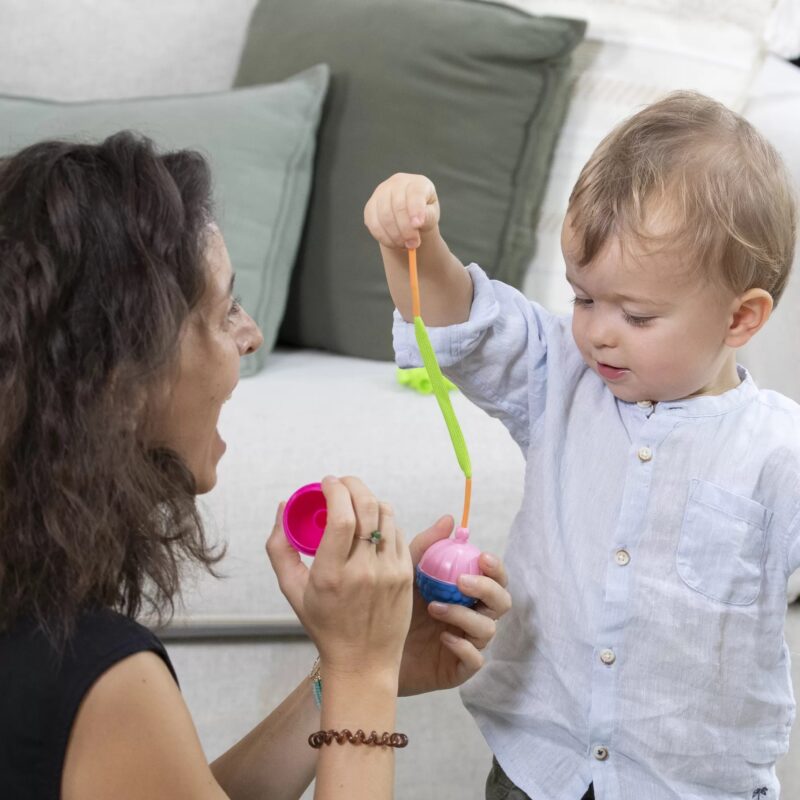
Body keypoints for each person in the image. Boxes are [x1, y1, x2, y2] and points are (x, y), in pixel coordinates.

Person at [0, 132, 513, 800]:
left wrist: (344, 675)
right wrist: (362, 673)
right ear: (124, 379)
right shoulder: (96, 676)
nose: (252, 335)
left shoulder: (40, 628)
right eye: (224, 312)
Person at [364, 91, 800, 799]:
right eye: (583, 298)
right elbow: (458, 321)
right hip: (537, 771)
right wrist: (411, 245)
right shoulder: (558, 376)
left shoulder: (778, 451)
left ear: (741, 318)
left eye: (637, 315)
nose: (597, 332)